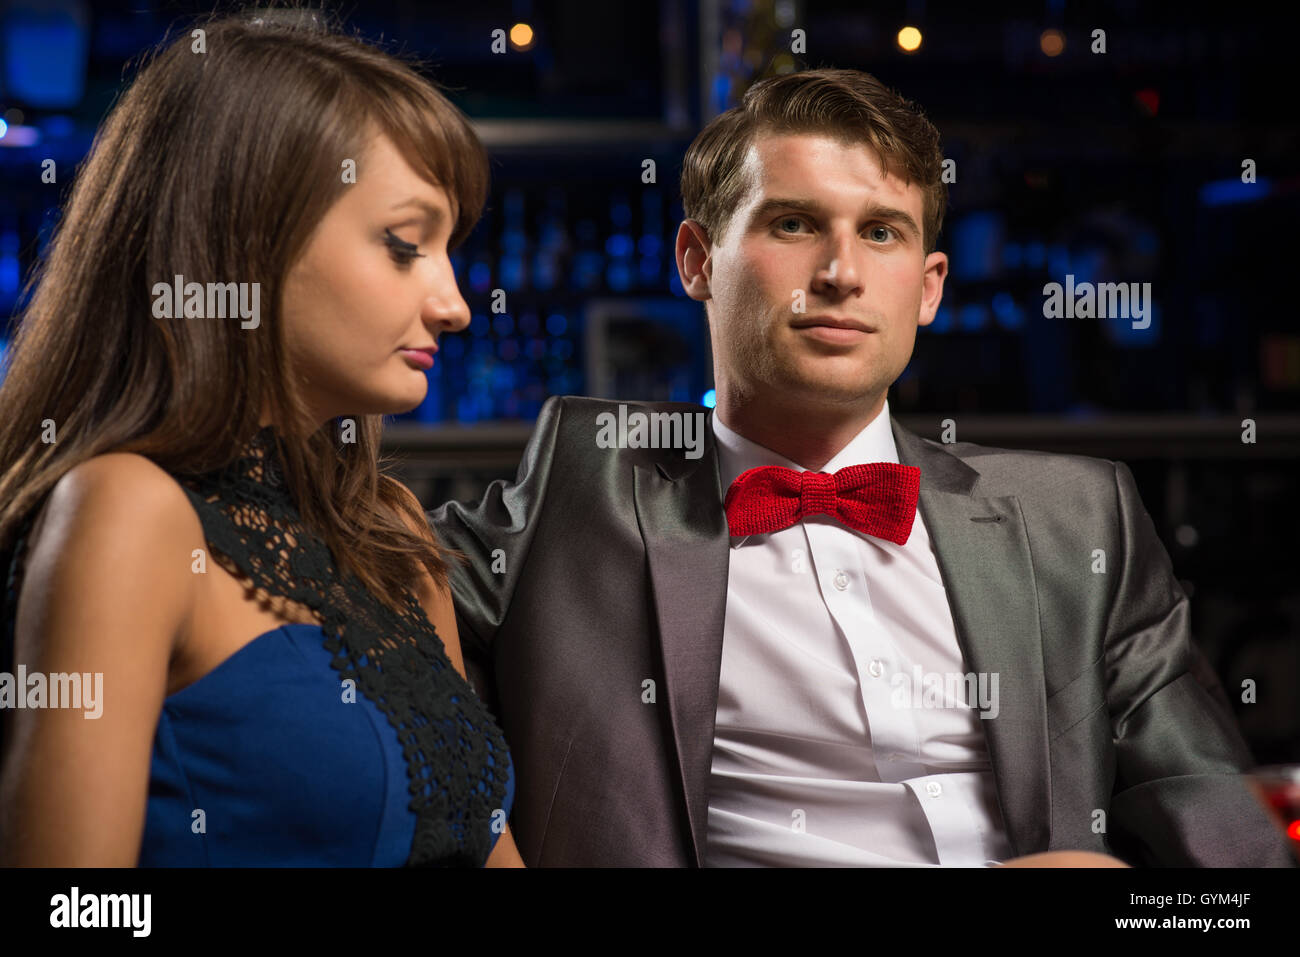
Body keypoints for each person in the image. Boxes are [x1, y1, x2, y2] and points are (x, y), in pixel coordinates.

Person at [429, 68, 1293, 867]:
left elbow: (1221, 833)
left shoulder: (1077, 517)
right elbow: (344, 588)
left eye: (881, 233)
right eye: (795, 223)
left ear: (928, 287)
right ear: (697, 260)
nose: (841, 274)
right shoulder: (588, 483)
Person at [0, 9, 523, 868]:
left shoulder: (387, 530)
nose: (454, 304)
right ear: (247, 240)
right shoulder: (130, 512)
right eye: (404, 246)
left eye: (449, 251)